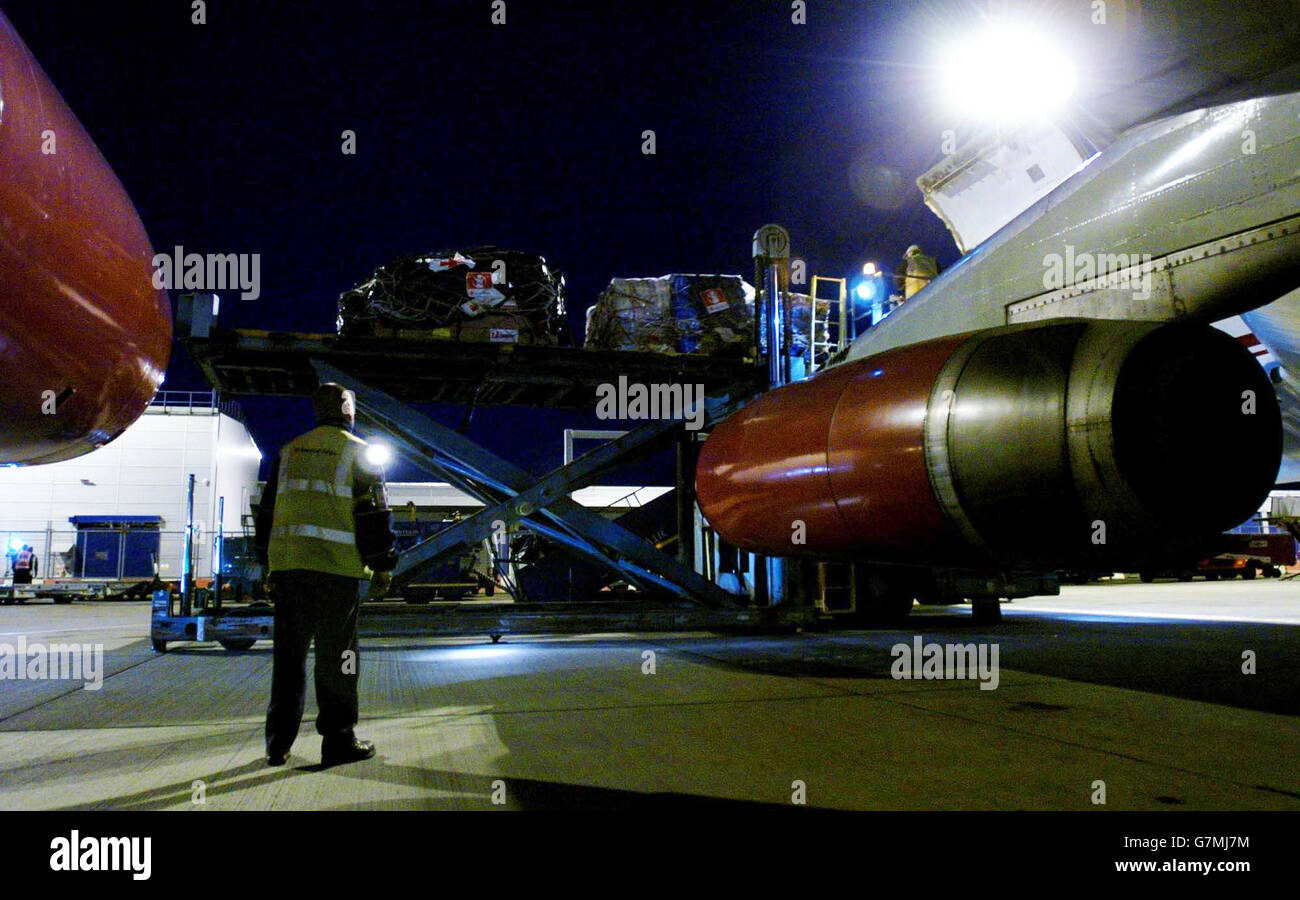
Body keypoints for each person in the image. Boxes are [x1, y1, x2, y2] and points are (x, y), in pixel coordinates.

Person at [254, 382, 399, 768]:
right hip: (336, 571)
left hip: (289, 571)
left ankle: (277, 744)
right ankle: (337, 740)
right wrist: (383, 565)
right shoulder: (360, 452)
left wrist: (266, 566)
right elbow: (374, 516)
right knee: (340, 659)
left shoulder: (288, 451)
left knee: (289, 660)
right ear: (349, 409)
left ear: (317, 411)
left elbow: (265, 515)